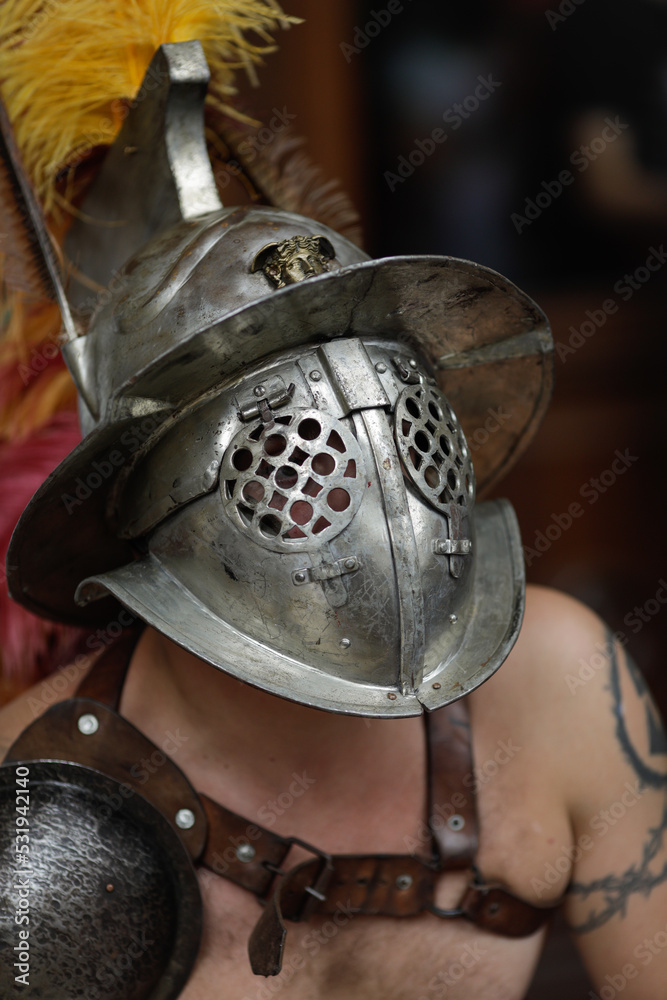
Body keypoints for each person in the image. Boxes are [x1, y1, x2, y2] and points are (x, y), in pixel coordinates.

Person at [0, 11, 666, 1000]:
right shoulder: (28, 791)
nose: (366, 493)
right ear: (145, 495)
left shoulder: (559, 684)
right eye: (287, 448)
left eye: (402, 430)